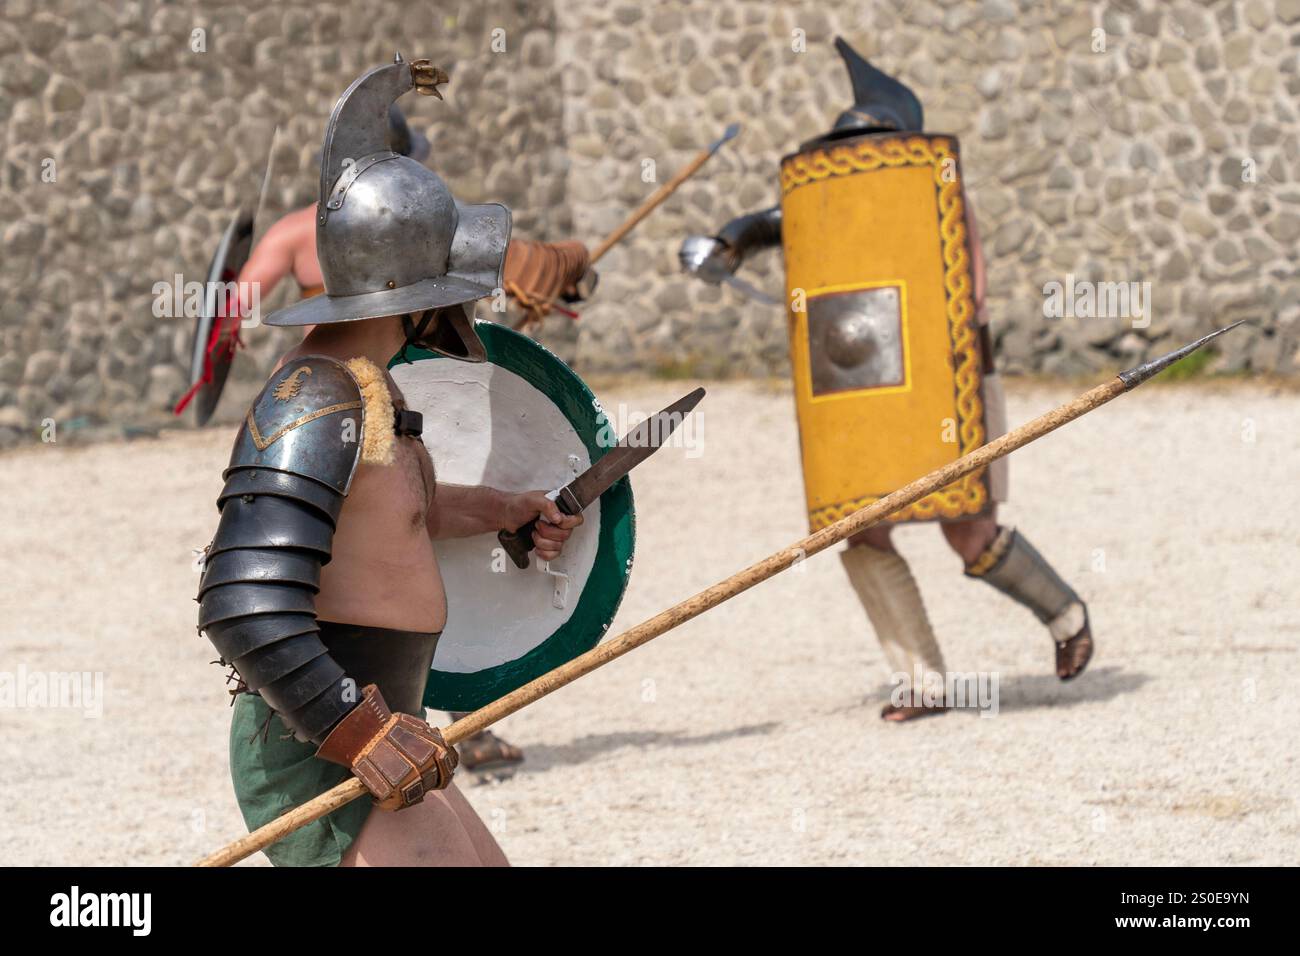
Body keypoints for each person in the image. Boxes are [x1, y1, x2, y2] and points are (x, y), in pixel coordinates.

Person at [195, 56, 581, 866]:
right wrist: (358, 730)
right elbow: (243, 603)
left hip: (389, 725)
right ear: (416, 287)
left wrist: (508, 509)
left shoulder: (370, 385)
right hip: (323, 740)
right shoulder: (311, 398)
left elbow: (404, 514)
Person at [679, 38, 1092, 721]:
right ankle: (923, 682)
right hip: (864, 387)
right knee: (863, 528)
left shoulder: (932, 194)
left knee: (968, 531)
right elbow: (776, 222)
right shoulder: (836, 201)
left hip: (949, 379)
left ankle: (1067, 615)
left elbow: (960, 299)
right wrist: (729, 242)